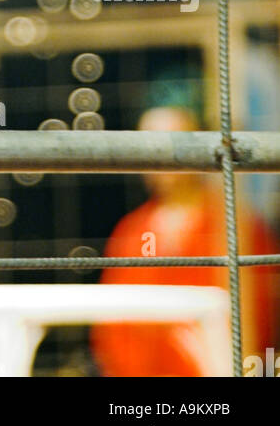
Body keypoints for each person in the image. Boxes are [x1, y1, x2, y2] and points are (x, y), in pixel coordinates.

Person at [92, 104, 278, 377]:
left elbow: (261, 320)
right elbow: (111, 327)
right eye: (146, 146)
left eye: (173, 142)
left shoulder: (241, 229)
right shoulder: (132, 232)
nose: (160, 158)